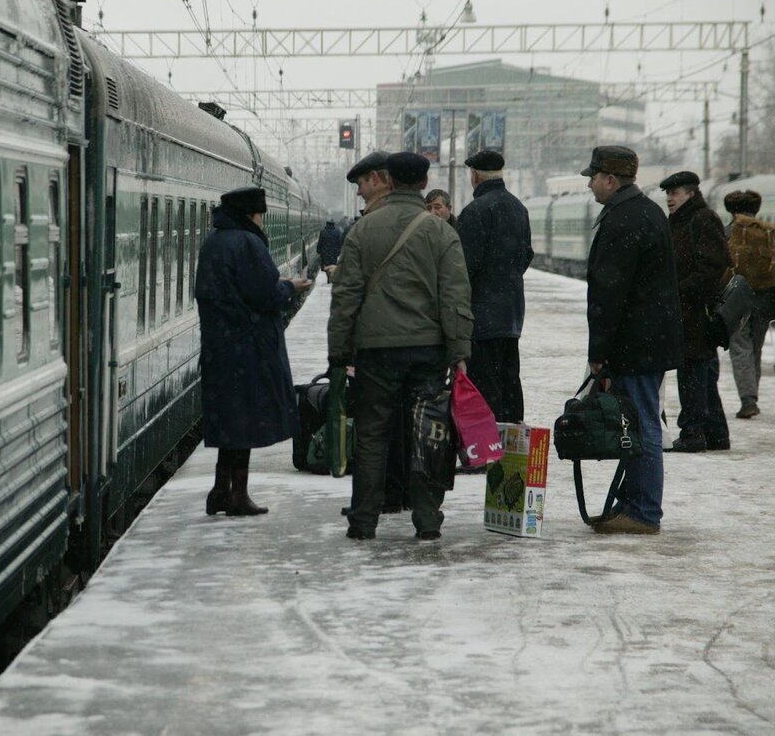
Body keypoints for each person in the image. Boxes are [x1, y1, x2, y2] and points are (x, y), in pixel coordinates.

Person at [328, 152, 472, 541]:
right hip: (428, 351)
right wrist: (459, 353)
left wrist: (340, 352)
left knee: (373, 434)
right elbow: (455, 298)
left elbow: (346, 296)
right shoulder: (442, 233)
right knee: (428, 433)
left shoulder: (363, 230)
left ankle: (363, 520)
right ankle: (426, 519)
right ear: (424, 184)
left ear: (388, 179)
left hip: (375, 352)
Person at [582, 146, 682, 535]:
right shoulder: (646, 212)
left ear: (611, 179)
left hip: (636, 344)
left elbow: (609, 294)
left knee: (640, 425)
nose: (589, 183)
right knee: (637, 422)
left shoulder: (624, 219)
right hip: (647, 340)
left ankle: (643, 512)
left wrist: (598, 352)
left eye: (593, 176)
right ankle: (633, 503)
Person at [195, 186, 312, 517]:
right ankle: (238, 495)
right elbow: (265, 294)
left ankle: (220, 491)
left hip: (220, 347)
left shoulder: (213, 241)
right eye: (261, 214)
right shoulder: (246, 243)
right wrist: (290, 286)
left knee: (229, 423)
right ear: (252, 215)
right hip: (247, 348)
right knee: (243, 422)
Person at [455, 150, 534, 424]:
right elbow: (526, 256)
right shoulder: (519, 208)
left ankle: (488, 454)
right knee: (509, 382)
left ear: (475, 176)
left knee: (484, 387)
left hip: (481, 316)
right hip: (511, 315)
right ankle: (512, 450)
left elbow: (463, 268)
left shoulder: (475, 211)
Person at [661, 171, 730, 452]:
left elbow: (714, 267)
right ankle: (715, 433)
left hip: (697, 312)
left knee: (693, 371)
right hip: (687, 310)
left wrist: (681, 290)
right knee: (700, 371)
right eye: (667, 193)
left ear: (690, 193)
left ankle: (693, 433)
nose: (669, 198)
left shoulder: (702, 219)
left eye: (674, 193)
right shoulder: (680, 221)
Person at [721, 189, 775, 418]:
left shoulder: (728, 231)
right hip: (764, 298)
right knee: (755, 350)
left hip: (736, 299)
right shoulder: (771, 233)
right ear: (757, 209)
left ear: (731, 210)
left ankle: (748, 399)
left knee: (740, 348)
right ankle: (752, 395)